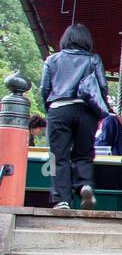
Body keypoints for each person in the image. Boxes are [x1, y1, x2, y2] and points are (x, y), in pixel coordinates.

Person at [38, 23, 109, 211]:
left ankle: (61, 199)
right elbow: (102, 87)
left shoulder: (52, 60)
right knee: (84, 154)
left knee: (57, 156)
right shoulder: (94, 59)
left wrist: (50, 107)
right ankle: (84, 185)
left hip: (59, 109)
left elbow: (44, 89)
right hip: (86, 112)